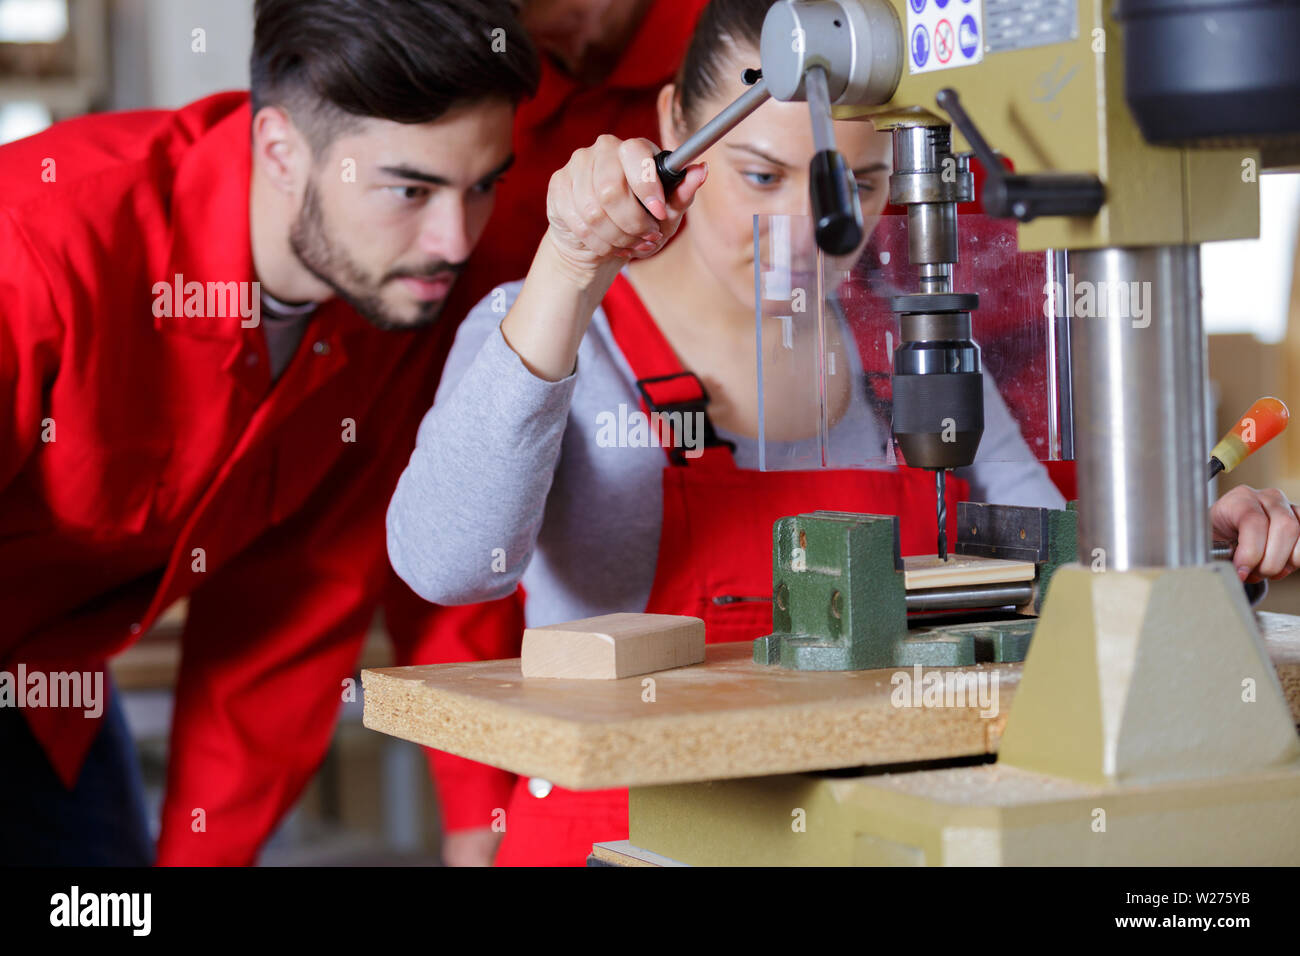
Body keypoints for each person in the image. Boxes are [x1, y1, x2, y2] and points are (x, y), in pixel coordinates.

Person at [388, 0, 1300, 866]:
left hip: (864, 826)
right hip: (624, 836)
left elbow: (1058, 578)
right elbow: (451, 564)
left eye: (854, 185)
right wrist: (569, 264)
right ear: (674, 125)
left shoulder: (908, 337)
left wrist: (1180, 547)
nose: (806, 234)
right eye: (758, 175)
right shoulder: (555, 327)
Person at [0, 0, 538, 865]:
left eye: (482, 184)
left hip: (43, 679)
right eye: (411, 189)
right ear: (283, 150)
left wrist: (484, 826)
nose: (454, 239)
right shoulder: (35, 243)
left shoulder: (403, 308)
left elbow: (287, 621)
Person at [409, 0, 712, 867]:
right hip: (483, 477)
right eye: (762, 176)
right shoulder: (480, 78)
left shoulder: (727, 48)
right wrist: (475, 804)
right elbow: (460, 548)